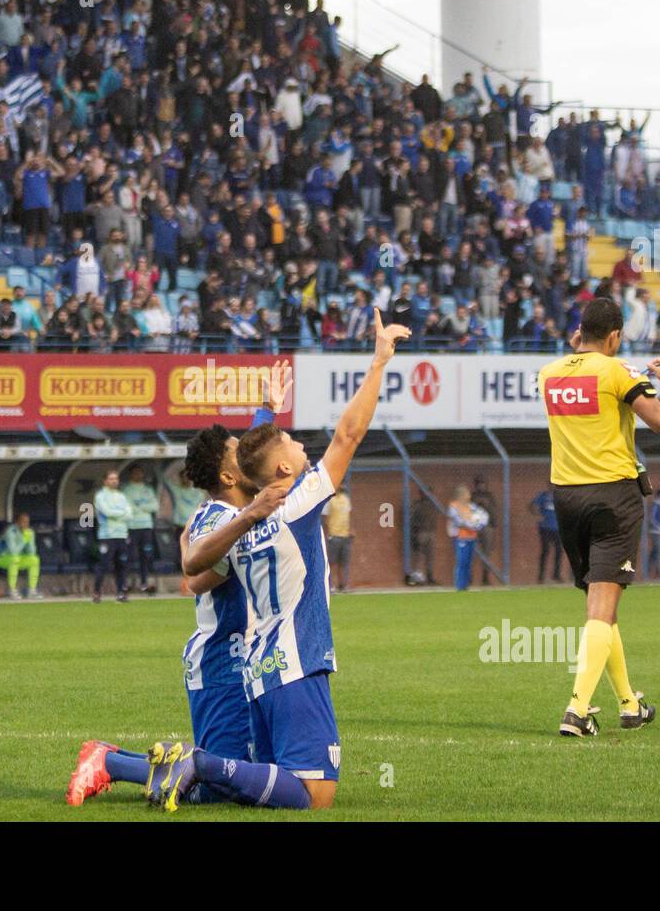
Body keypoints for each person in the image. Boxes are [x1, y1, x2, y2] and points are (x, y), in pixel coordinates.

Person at [157, 311, 410, 812]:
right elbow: (348, 435)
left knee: (268, 786)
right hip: (294, 663)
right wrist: (379, 362)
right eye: (296, 446)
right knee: (316, 795)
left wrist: (265, 413)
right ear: (284, 468)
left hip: (257, 667)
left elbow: (206, 551)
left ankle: (204, 766)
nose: (303, 447)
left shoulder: (247, 521)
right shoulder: (294, 503)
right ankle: (201, 763)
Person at [65, 363, 291, 807]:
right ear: (227, 477)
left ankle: (115, 761)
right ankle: (109, 761)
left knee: (253, 774)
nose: (248, 457)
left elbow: (245, 460)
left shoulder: (233, 507)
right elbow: (195, 572)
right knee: (218, 788)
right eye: (237, 456)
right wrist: (223, 566)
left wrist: (266, 411)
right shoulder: (220, 517)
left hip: (249, 660)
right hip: (222, 662)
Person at [537, 296, 660, 737]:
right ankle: (577, 710)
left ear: (581, 332)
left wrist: (579, 347)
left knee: (602, 604)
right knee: (601, 608)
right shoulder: (618, 373)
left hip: (566, 498)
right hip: (613, 498)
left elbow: (579, 363)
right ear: (615, 336)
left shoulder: (549, 373)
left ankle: (629, 704)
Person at [93, 470, 132, 603]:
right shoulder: (100, 496)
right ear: (105, 481)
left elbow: (129, 514)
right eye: (111, 479)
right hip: (107, 535)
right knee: (103, 564)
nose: (114, 481)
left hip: (122, 534)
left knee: (121, 565)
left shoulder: (122, 496)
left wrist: (117, 514)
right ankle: (97, 592)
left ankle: (121, 593)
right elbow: (107, 512)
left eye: (116, 478)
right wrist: (120, 513)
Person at [121, 466, 160, 595]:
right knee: (130, 556)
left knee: (146, 556)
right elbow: (128, 508)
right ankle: (126, 583)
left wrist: (140, 507)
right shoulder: (126, 490)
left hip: (146, 526)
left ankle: (144, 583)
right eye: (135, 472)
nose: (138, 474)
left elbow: (154, 506)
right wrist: (143, 508)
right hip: (132, 527)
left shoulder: (148, 489)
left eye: (140, 472)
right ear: (131, 474)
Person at [0, 512, 42, 600]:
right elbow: (13, 551)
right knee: (14, 559)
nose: (26, 524)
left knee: (34, 559)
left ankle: (31, 591)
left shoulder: (29, 532)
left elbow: (32, 552)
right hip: (0, 558)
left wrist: (29, 539)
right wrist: (24, 540)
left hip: (17, 558)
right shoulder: (10, 532)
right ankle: (11, 590)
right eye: (23, 522)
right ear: (17, 522)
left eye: (27, 522)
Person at [447, 486, 488, 591]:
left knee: (469, 562)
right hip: (460, 538)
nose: (468, 495)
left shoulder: (471, 506)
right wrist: (472, 525)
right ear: (461, 495)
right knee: (462, 561)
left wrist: (479, 524)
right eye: (466, 493)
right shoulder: (454, 507)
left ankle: (466, 584)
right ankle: (460, 585)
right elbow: (458, 521)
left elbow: (483, 515)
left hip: (471, 537)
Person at [322, 488, 353, 593]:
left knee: (343, 562)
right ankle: (331, 585)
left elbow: (348, 516)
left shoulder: (346, 499)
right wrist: (329, 532)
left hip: (345, 535)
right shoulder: (330, 500)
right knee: (332, 562)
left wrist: (350, 530)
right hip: (334, 535)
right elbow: (325, 517)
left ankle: (343, 585)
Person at [530, 488, 562, 582]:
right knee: (545, 551)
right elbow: (532, 505)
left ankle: (556, 575)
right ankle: (541, 576)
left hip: (558, 528)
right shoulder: (543, 495)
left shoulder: (560, 496)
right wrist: (537, 515)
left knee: (559, 551)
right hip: (545, 527)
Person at [407, 498, 436, 585]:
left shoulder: (432, 505)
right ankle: (417, 578)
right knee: (419, 556)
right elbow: (412, 519)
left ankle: (429, 577)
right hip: (422, 531)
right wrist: (415, 532)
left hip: (430, 532)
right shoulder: (418, 505)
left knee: (429, 556)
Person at [646, 488, 660, 580]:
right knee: (659, 552)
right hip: (656, 532)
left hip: (659, 532)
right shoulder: (656, 505)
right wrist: (659, 527)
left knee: (655, 552)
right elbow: (652, 518)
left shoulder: (659, 505)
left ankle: (652, 571)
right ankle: (657, 572)